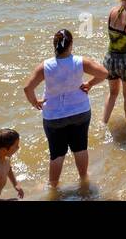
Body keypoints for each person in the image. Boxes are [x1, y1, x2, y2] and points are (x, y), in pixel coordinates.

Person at [23, 29, 107, 187]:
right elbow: (103, 73)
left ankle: (53, 186)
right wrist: (89, 84)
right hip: (80, 111)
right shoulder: (80, 61)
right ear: (71, 45)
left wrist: (35, 102)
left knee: (57, 153)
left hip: (54, 115)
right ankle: (83, 179)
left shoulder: (45, 66)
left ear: (54, 45)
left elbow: (27, 88)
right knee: (80, 147)